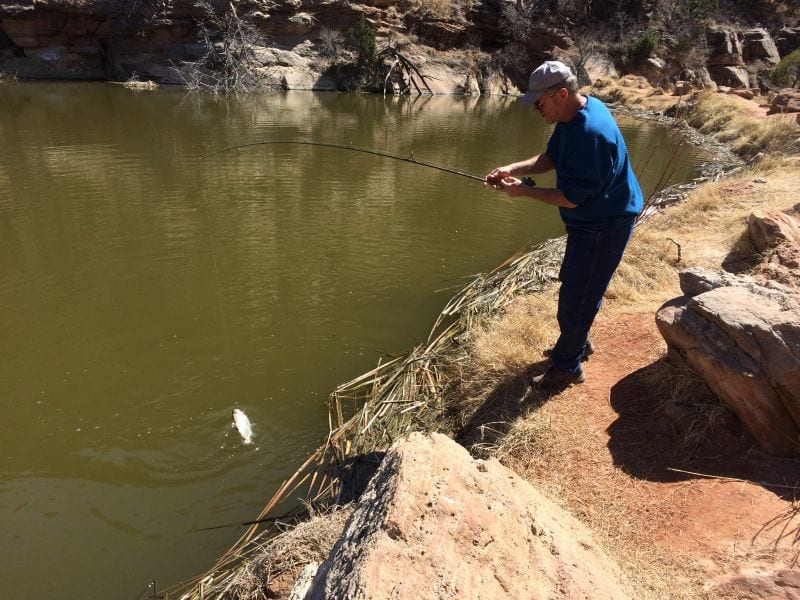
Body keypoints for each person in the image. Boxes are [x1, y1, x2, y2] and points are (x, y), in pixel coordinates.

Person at [485, 60, 643, 391]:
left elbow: (570, 198)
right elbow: (550, 158)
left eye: (539, 103)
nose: (537, 110)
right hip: (594, 220)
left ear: (560, 94)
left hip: (605, 223)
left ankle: (567, 366)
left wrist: (524, 192)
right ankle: (577, 343)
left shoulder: (591, 134)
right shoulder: (575, 114)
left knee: (579, 294)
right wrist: (511, 167)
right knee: (576, 285)